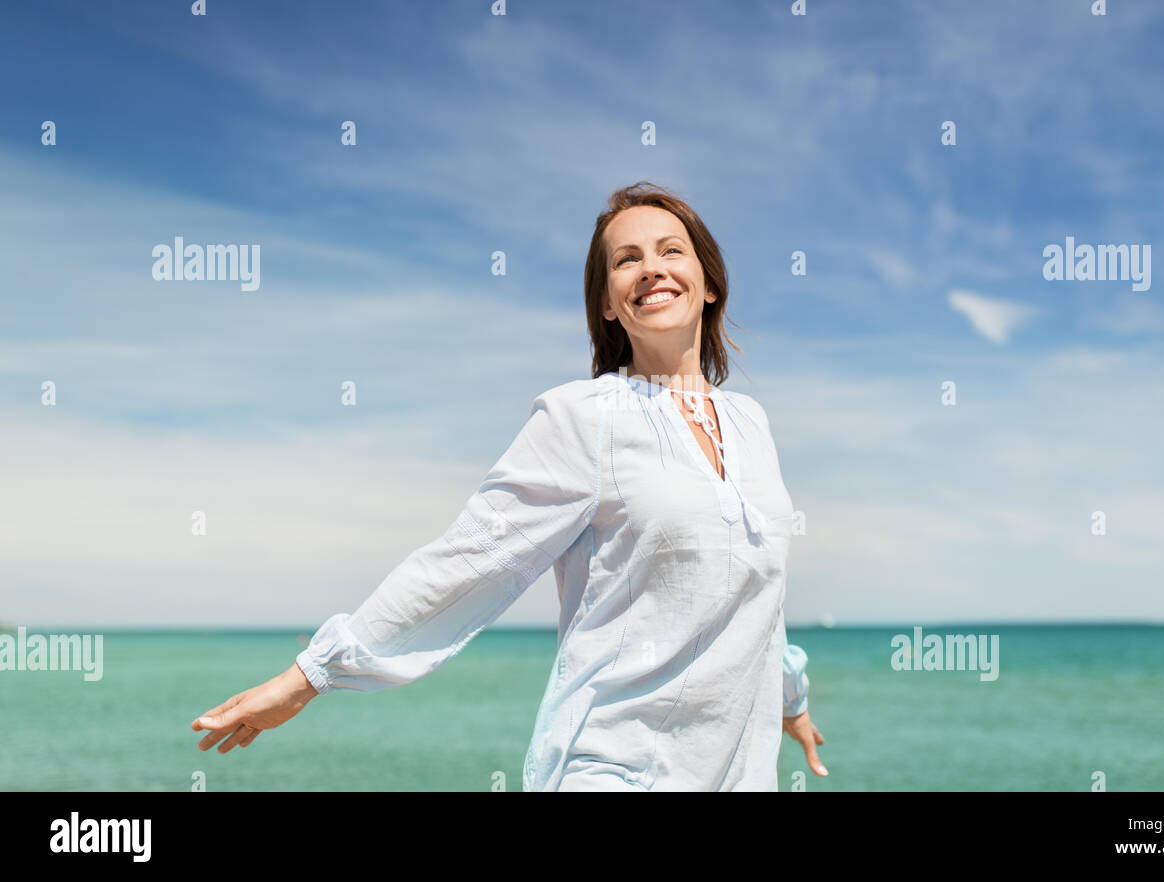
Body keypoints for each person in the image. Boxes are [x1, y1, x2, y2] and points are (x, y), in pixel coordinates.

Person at [191, 181, 828, 790]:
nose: (651, 269)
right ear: (607, 302)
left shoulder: (751, 424)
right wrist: (314, 673)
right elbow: (471, 557)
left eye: (670, 251)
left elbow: (755, 588)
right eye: (626, 260)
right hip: (614, 767)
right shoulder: (584, 417)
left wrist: (789, 698)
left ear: (709, 282)